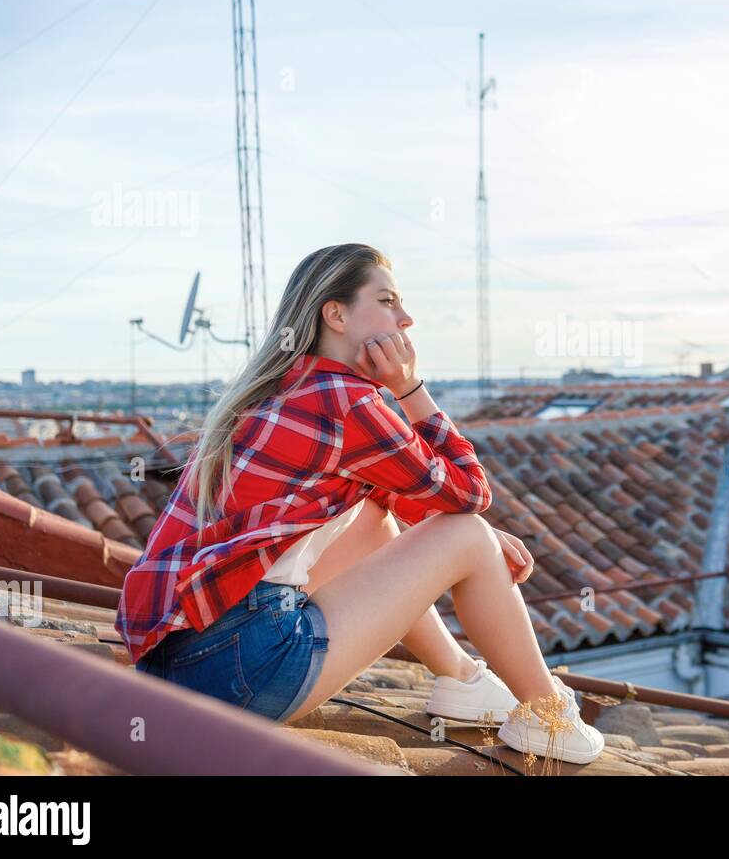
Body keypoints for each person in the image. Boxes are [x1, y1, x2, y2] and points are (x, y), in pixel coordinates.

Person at [117, 242, 604, 765]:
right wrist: (411, 387)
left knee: (377, 521)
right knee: (464, 532)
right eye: (389, 300)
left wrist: (462, 537)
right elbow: (469, 492)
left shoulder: (283, 385)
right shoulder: (349, 399)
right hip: (245, 670)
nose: (406, 318)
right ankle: (548, 716)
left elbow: (384, 494)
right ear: (337, 314)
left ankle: (461, 679)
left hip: (181, 664)